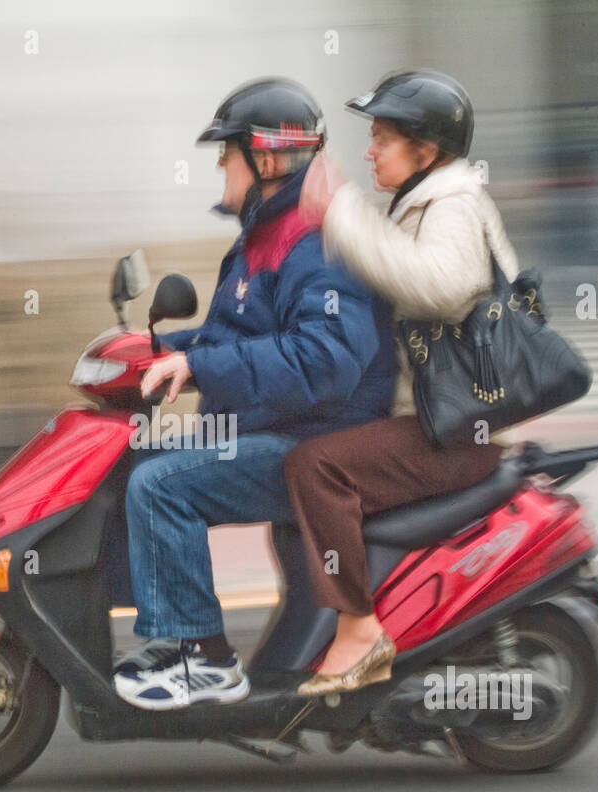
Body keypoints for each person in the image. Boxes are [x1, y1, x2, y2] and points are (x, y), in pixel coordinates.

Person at [112, 77, 398, 710]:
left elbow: (326, 360)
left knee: (162, 484)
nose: (219, 165)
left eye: (227, 153)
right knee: (131, 461)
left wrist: (201, 370)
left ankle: (201, 659)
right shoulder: (265, 235)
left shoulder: (319, 242)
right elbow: (235, 334)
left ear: (265, 159)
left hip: (315, 438)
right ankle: (164, 635)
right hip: (274, 423)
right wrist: (158, 353)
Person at [288, 69, 520, 696]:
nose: (369, 151)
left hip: (455, 431)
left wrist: (339, 207)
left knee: (317, 467)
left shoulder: (453, 205)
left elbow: (436, 286)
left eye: (383, 138)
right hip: (440, 421)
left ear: (427, 151)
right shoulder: (423, 202)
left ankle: (360, 633)